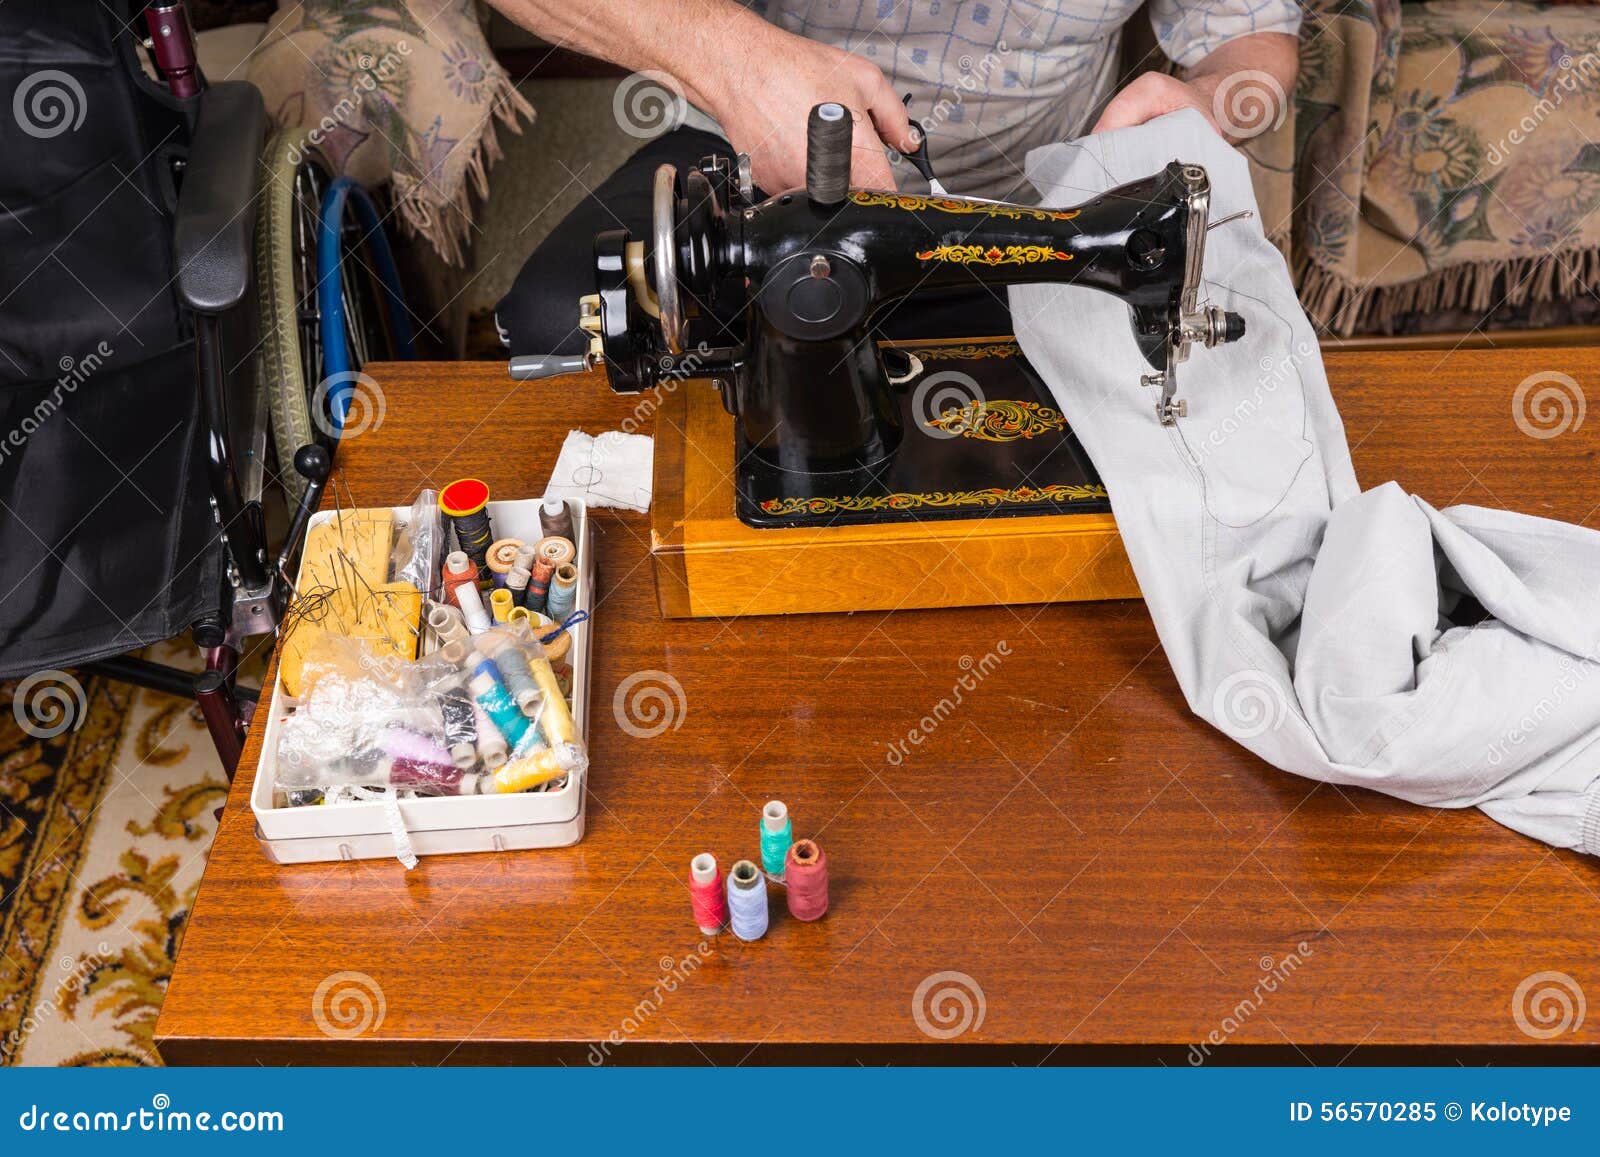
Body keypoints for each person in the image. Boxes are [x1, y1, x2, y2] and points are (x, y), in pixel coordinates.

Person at [489, 0, 1300, 357]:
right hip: (742, 171)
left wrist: (1206, 99)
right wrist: (733, 62)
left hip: (1044, 202)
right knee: (570, 323)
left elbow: (1254, 38)